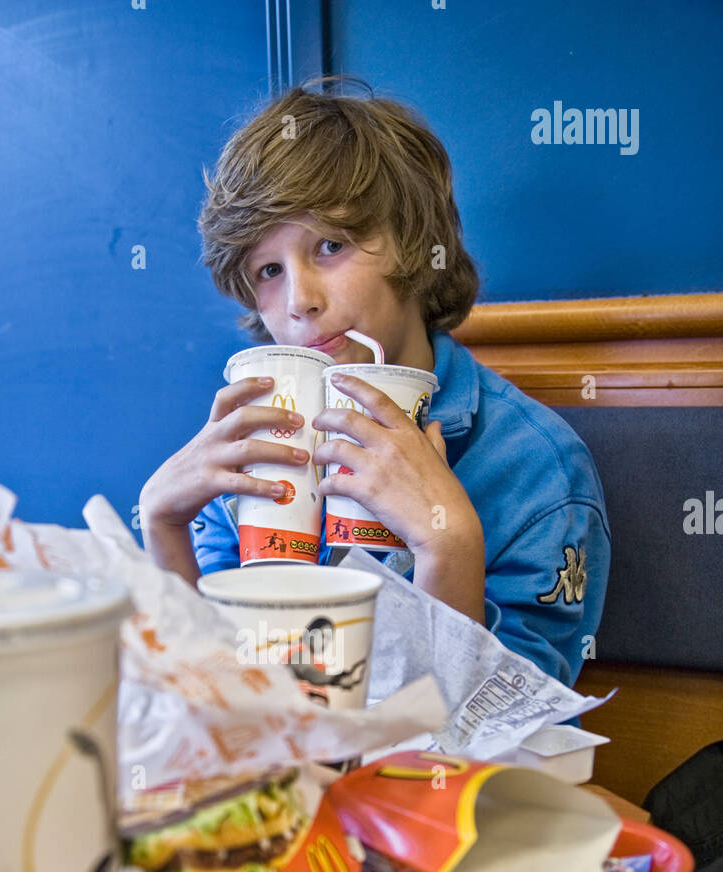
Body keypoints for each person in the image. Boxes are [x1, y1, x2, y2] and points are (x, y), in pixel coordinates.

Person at [138, 80, 611, 686]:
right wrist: (164, 531)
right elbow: (219, 699)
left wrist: (449, 548)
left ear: (415, 246)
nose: (299, 302)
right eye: (269, 270)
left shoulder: (538, 471)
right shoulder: (246, 450)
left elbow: (511, 734)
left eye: (330, 246)